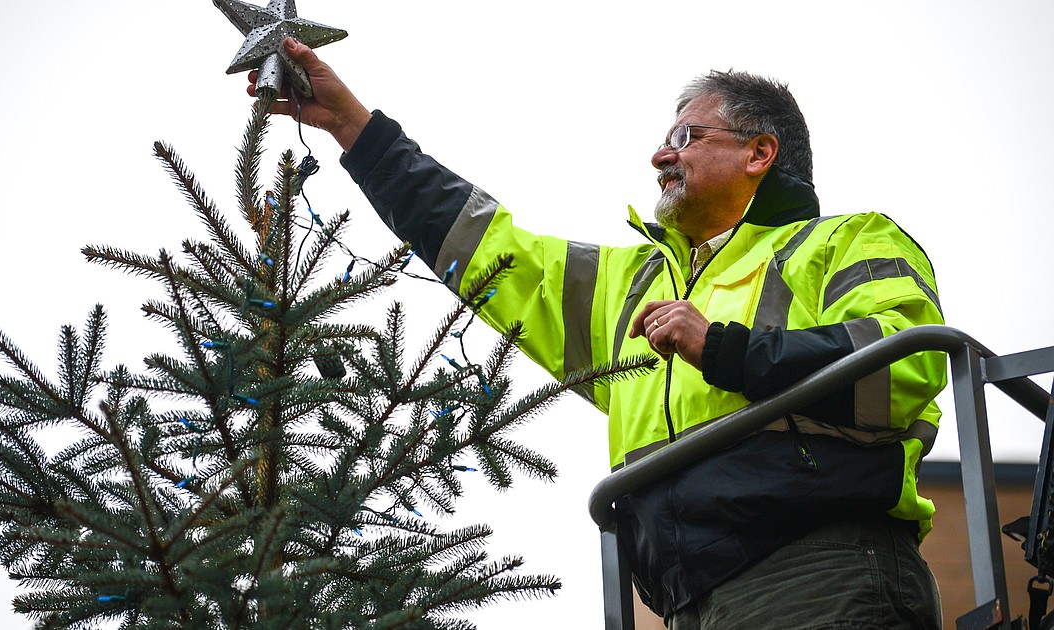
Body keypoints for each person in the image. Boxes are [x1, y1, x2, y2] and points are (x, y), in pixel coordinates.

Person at [251, 38, 947, 628]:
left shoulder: (845, 241)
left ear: (759, 152)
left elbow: (905, 364)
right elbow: (485, 245)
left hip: (820, 574)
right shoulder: (630, 282)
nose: (659, 157)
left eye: (684, 137)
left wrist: (726, 348)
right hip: (688, 604)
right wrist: (352, 127)